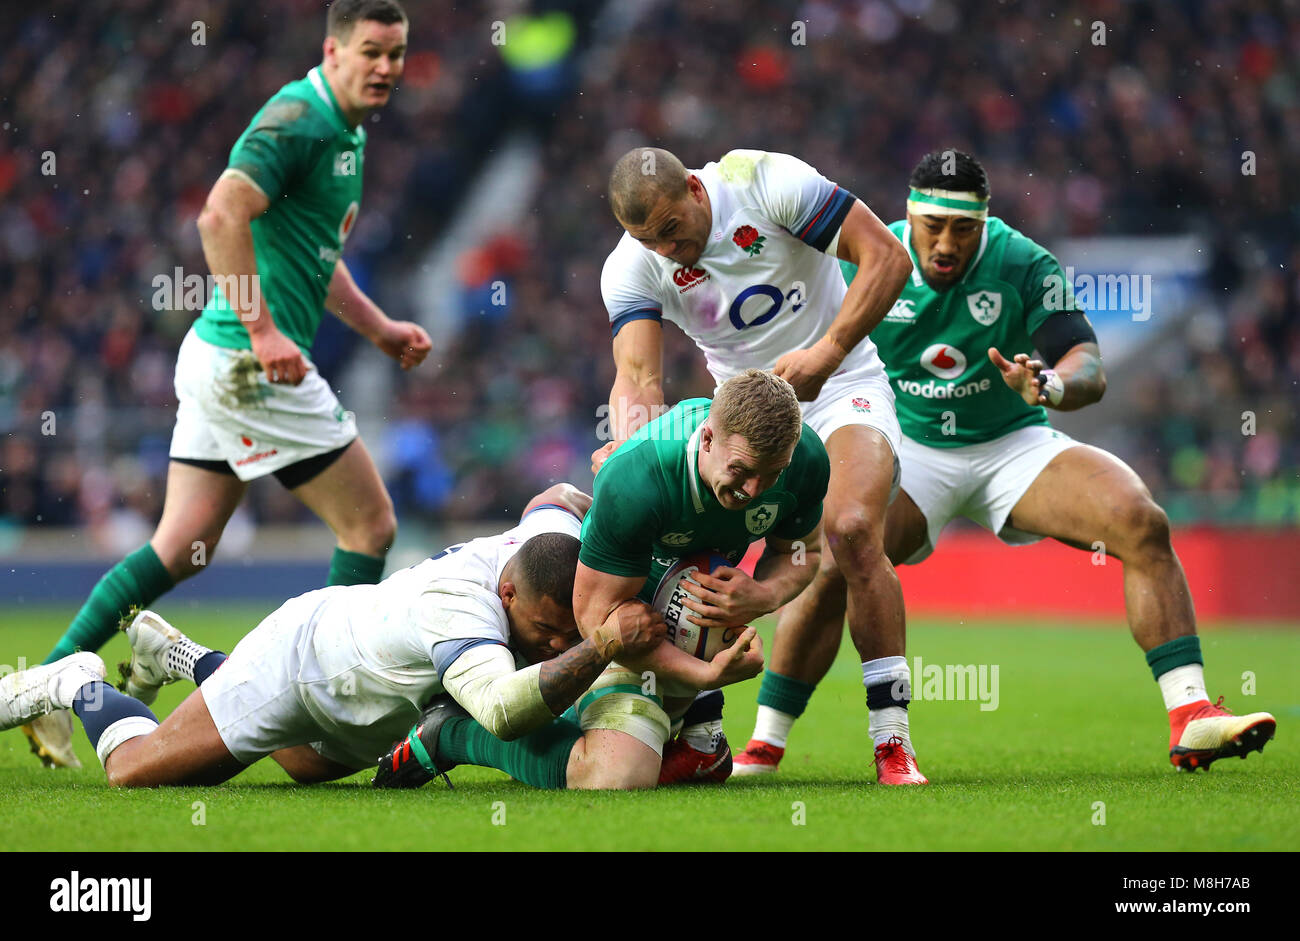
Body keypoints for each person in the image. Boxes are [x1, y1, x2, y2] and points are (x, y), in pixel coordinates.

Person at [734, 149, 1277, 775]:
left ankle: (1193, 717)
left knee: (1141, 520)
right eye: (932, 226)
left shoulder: (1022, 262)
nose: (945, 244)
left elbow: (1088, 365)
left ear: (984, 223)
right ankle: (765, 746)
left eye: (964, 229)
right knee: (838, 560)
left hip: (1011, 443)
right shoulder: (866, 260)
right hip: (909, 449)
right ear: (907, 215)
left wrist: (1049, 384)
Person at [23, 0, 432, 768]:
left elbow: (313, 253)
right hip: (250, 366)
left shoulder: (344, 131)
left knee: (183, 546)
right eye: (373, 51)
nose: (387, 68)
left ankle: (48, 680)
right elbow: (219, 214)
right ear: (333, 50)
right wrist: (264, 329)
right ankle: (330, 700)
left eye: (398, 54)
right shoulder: (297, 118)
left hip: (220, 360)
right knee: (371, 529)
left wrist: (377, 328)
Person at [591, 147, 926, 784]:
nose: (667, 250)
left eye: (670, 229)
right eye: (646, 239)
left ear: (694, 187)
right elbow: (636, 374)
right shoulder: (632, 264)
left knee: (852, 530)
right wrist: (629, 443)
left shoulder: (765, 183)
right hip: (740, 419)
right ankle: (702, 734)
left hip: (843, 385)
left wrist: (828, 351)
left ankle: (892, 739)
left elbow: (887, 257)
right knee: (669, 540)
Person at [0, 485, 668, 786]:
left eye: (565, 631)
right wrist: (601, 644)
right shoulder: (462, 611)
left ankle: (181, 654)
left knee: (302, 764)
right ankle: (77, 680)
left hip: (356, 689)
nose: (556, 644)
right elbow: (502, 709)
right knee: (134, 771)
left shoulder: (551, 549)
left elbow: (557, 496)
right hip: (298, 666)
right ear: (507, 594)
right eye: (547, 632)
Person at [374, 369, 829, 790]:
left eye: (771, 475)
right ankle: (452, 733)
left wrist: (763, 595)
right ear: (707, 438)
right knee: (616, 775)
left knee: (701, 599)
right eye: (742, 472)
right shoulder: (637, 478)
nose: (754, 491)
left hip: (665, 596)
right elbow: (597, 621)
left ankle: (698, 734)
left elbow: (802, 552)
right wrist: (707, 674)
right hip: (613, 610)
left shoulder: (805, 459)